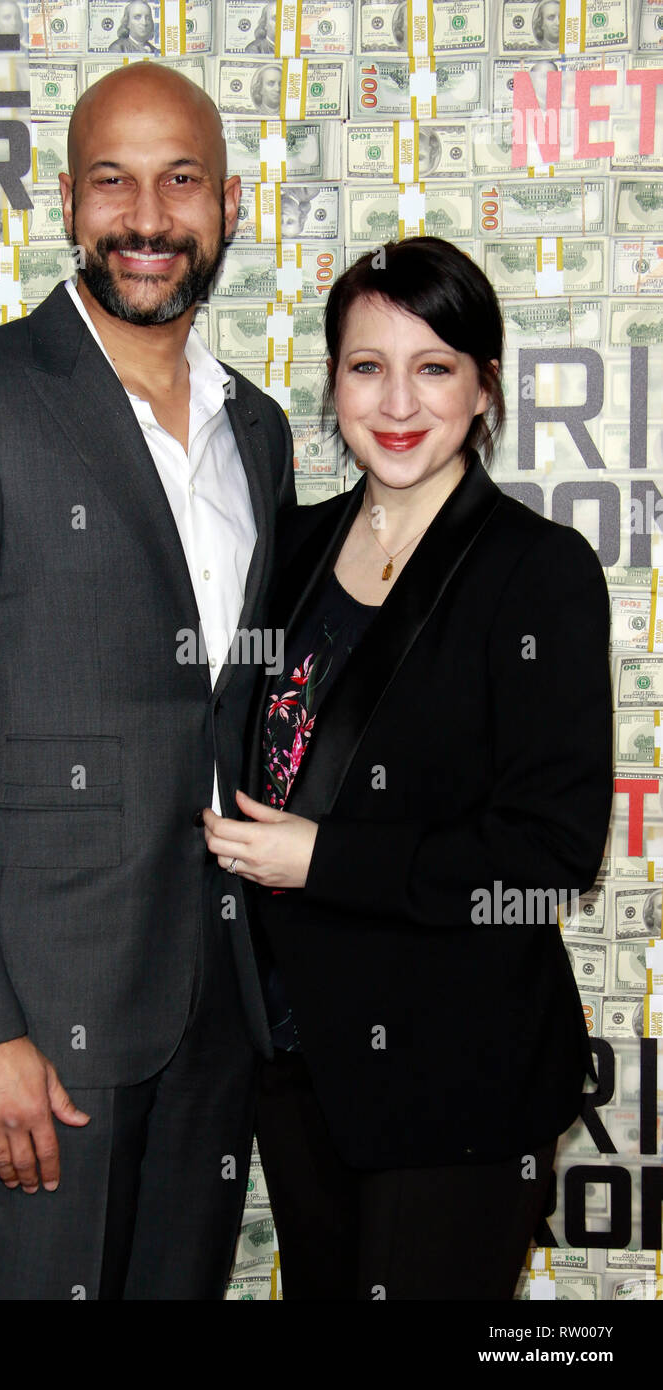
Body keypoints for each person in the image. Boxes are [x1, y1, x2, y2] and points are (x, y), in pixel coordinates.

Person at [0, 62, 295, 1300]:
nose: (146, 216)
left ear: (229, 206)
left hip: (222, 998)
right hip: (44, 1014)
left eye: (179, 180)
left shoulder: (255, 431)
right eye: (113, 179)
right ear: (65, 201)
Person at [203, 238, 613, 1300]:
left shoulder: (534, 571)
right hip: (297, 1059)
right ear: (330, 379)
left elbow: (550, 850)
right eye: (364, 365)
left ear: (483, 386)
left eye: (432, 366)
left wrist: (324, 858)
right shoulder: (287, 548)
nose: (395, 400)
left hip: (457, 1070)